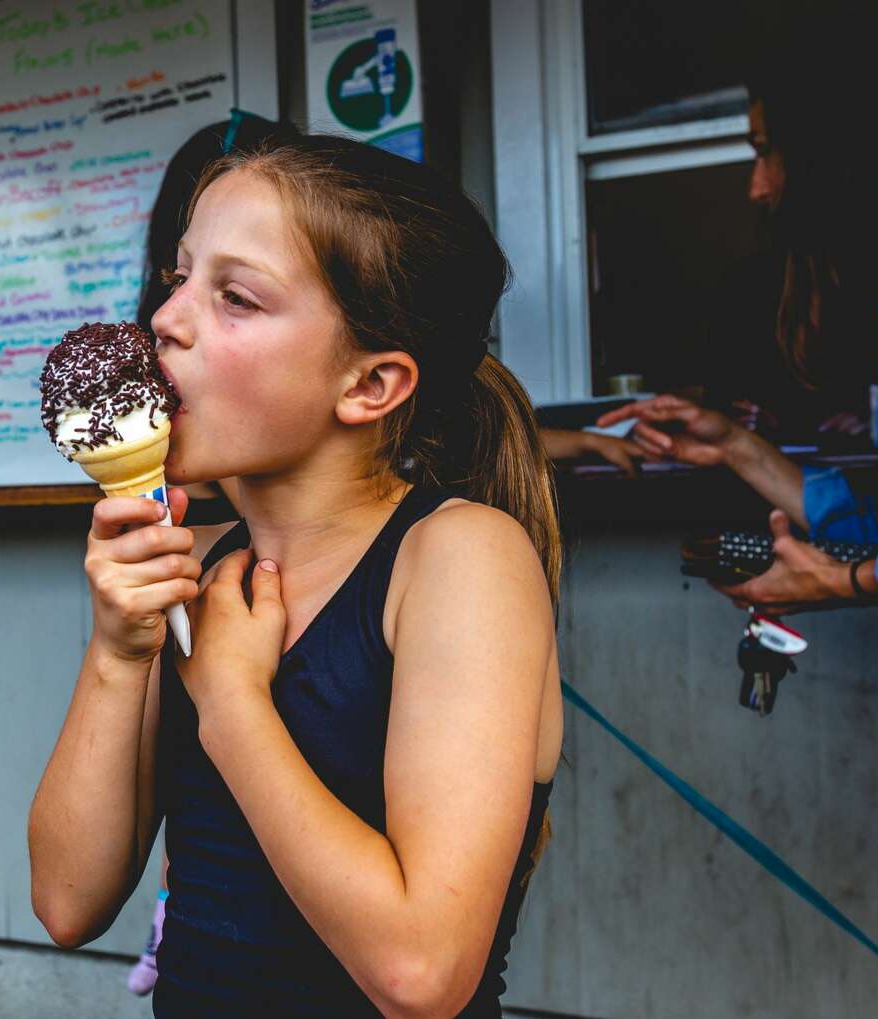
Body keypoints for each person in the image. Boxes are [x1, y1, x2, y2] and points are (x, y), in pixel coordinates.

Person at [30, 135, 563, 1016]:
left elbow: (420, 975)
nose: (166, 318)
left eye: (235, 296)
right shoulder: (194, 567)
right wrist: (119, 653)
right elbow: (65, 901)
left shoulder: (461, 559)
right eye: (179, 275)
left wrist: (235, 702)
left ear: (371, 383)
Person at [599, 10, 878, 1013]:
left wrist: (839, 580)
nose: (757, 185)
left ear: (840, 148)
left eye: (767, 151)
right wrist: (737, 449)